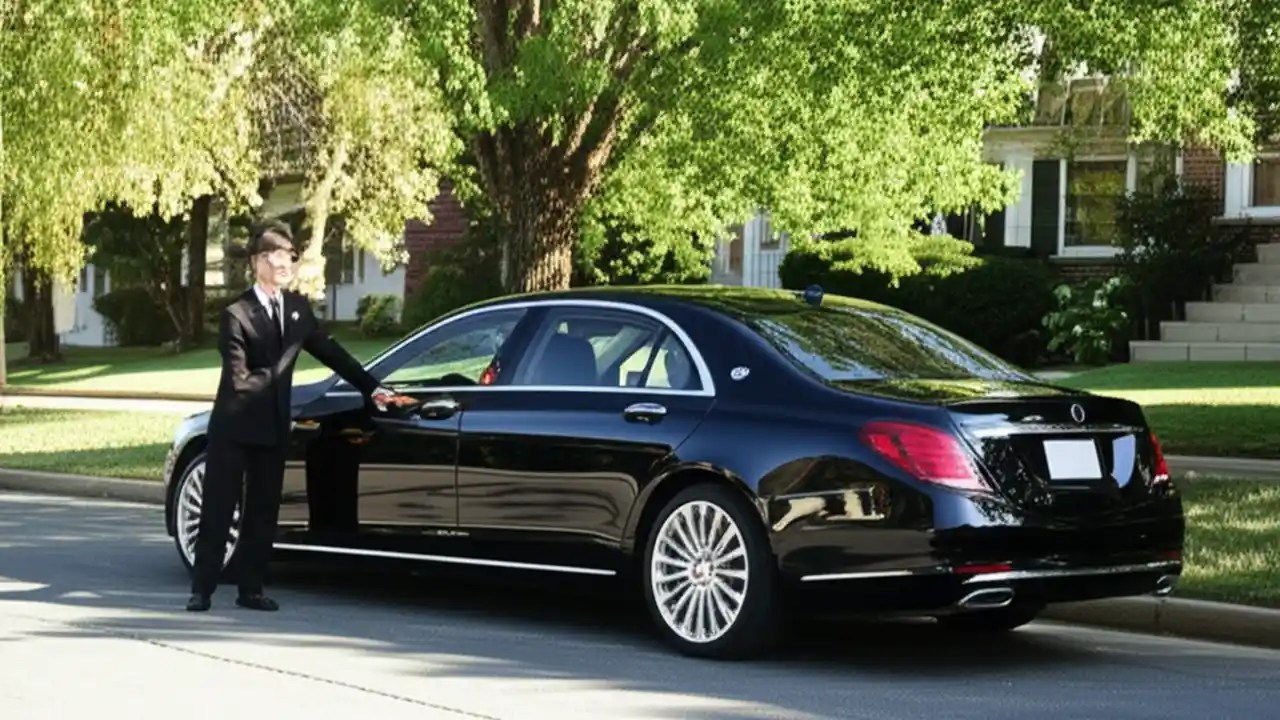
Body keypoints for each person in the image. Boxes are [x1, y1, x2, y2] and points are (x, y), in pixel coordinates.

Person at [186, 220, 413, 612]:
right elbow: (239, 381)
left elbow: (332, 352)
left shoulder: (296, 309)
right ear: (257, 261)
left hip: (273, 427)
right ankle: (202, 588)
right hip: (235, 427)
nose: (285, 262)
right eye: (276, 255)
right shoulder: (236, 314)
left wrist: (372, 387)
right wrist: (278, 374)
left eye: (289, 255)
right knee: (220, 509)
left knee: (263, 509)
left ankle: (251, 589)